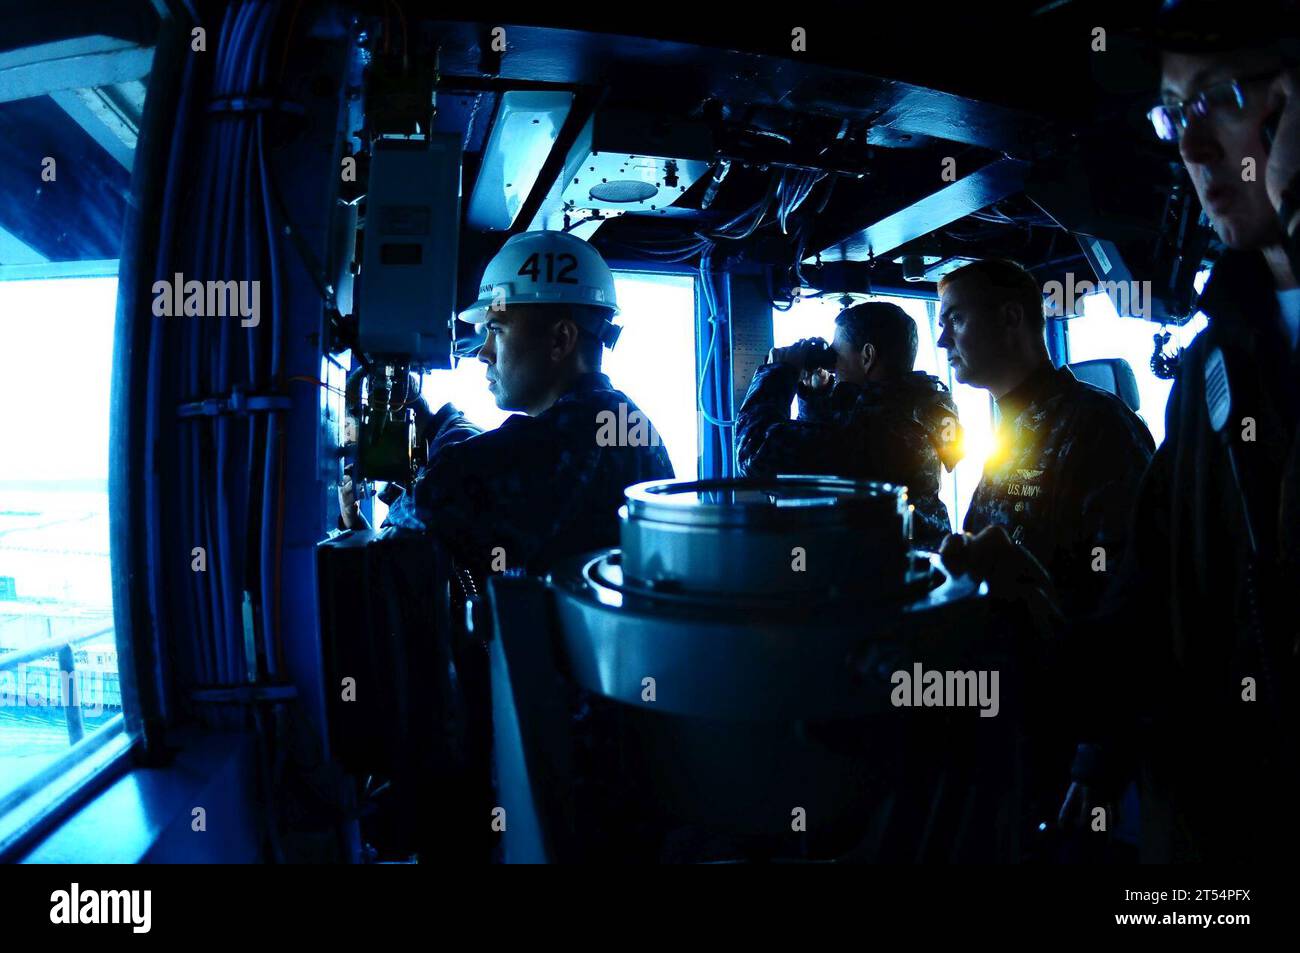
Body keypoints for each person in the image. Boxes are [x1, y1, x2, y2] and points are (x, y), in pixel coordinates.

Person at [945, 0, 1300, 863]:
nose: (1190, 145)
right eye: (1174, 112)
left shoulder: (1101, 426)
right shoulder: (1212, 377)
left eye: (1221, 96)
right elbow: (1145, 641)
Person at [352, 230, 675, 584]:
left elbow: (426, 505)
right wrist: (436, 425)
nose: (483, 352)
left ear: (560, 339)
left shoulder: (557, 441)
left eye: (496, 330)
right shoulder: (624, 423)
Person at [936, 259, 1155, 618]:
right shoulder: (1012, 433)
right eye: (942, 324)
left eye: (956, 319)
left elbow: (1130, 586)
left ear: (1010, 318)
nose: (944, 339)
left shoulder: (1099, 424)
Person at [736, 301, 963, 549]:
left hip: (882, 577)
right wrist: (815, 397)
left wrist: (778, 371)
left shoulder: (877, 427)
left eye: (837, 354)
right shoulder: (916, 407)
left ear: (868, 356)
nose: (833, 366)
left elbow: (756, 454)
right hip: (908, 564)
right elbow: (832, 463)